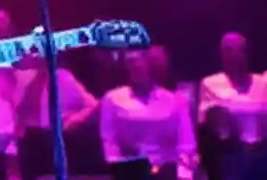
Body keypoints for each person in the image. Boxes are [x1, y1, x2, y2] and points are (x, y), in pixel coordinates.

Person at [99, 50, 195, 180]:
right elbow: (109, 141)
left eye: (141, 65)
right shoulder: (112, 99)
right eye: (132, 65)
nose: (136, 68)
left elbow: (186, 144)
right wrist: (117, 169)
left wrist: (184, 175)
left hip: (166, 170)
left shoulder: (175, 101)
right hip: (130, 169)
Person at [196, 32, 267, 180]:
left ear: (245, 53)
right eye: (226, 50)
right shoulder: (210, 83)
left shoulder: (262, 83)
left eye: (236, 50)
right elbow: (210, 122)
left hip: (261, 157)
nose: (231, 55)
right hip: (230, 158)